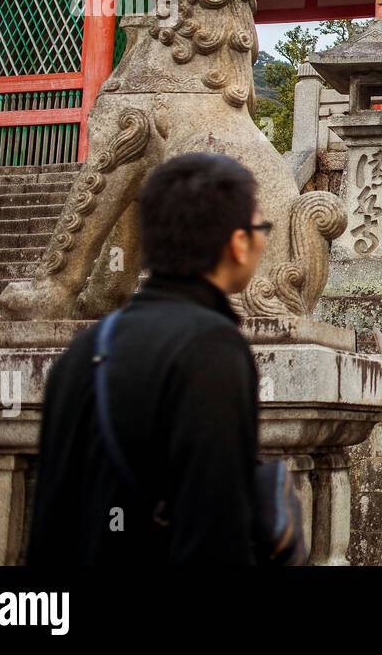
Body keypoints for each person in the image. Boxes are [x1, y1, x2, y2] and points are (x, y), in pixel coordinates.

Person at [28, 153, 272, 565]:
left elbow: (48, 523)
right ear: (238, 242)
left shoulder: (84, 350)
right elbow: (213, 535)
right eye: (261, 227)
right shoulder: (212, 349)